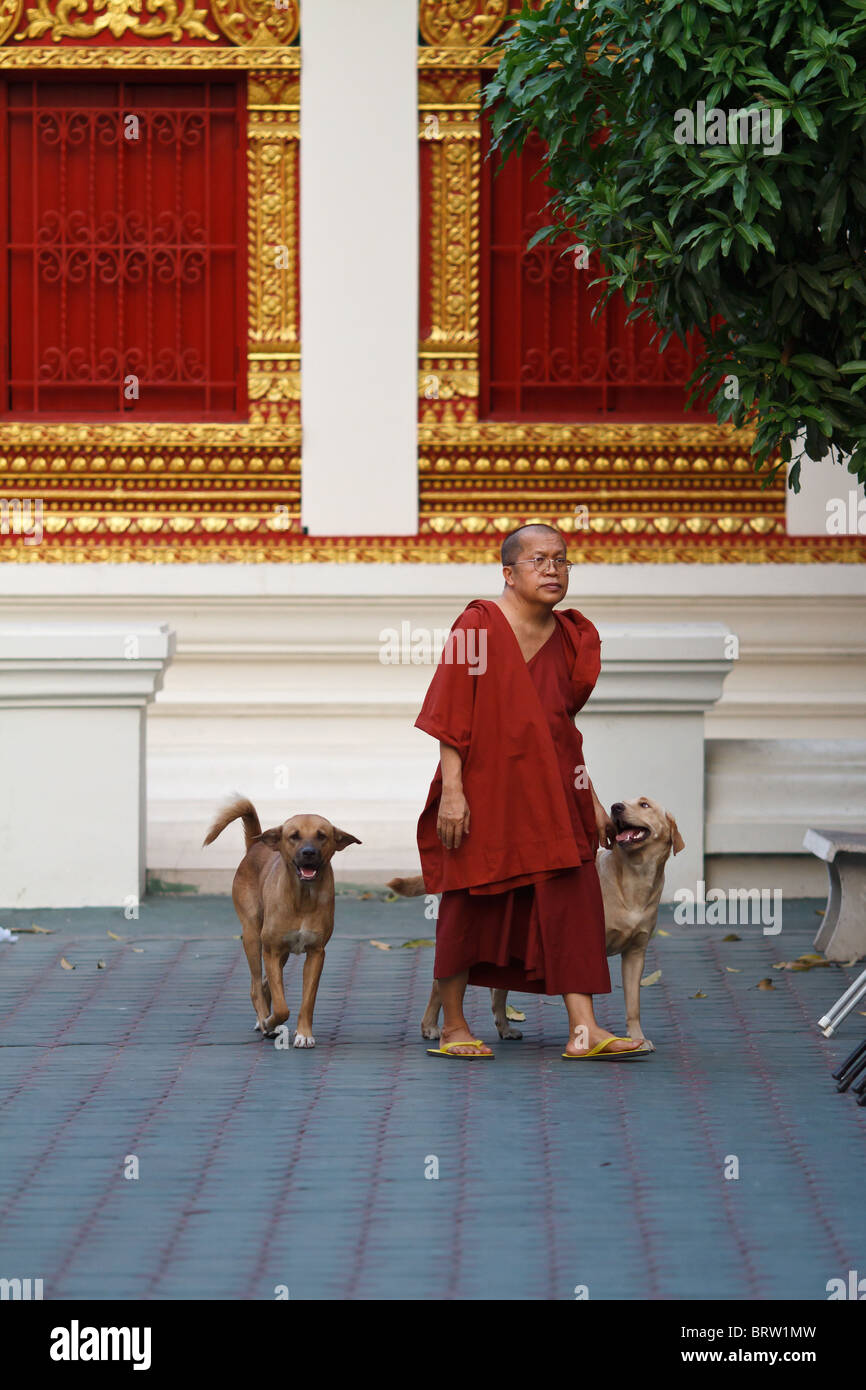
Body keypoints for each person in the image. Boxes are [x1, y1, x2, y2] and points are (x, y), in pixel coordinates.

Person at [414, 523, 644, 1059]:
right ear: (509, 573)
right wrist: (453, 792)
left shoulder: (571, 637)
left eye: (561, 560)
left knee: (574, 898)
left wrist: (588, 796)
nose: (552, 569)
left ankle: (584, 1028)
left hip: (552, 792)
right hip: (482, 791)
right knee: (469, 899)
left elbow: (561, 730)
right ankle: (452, 1027)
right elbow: (451, 715)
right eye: (538, 560)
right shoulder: (478, 624)